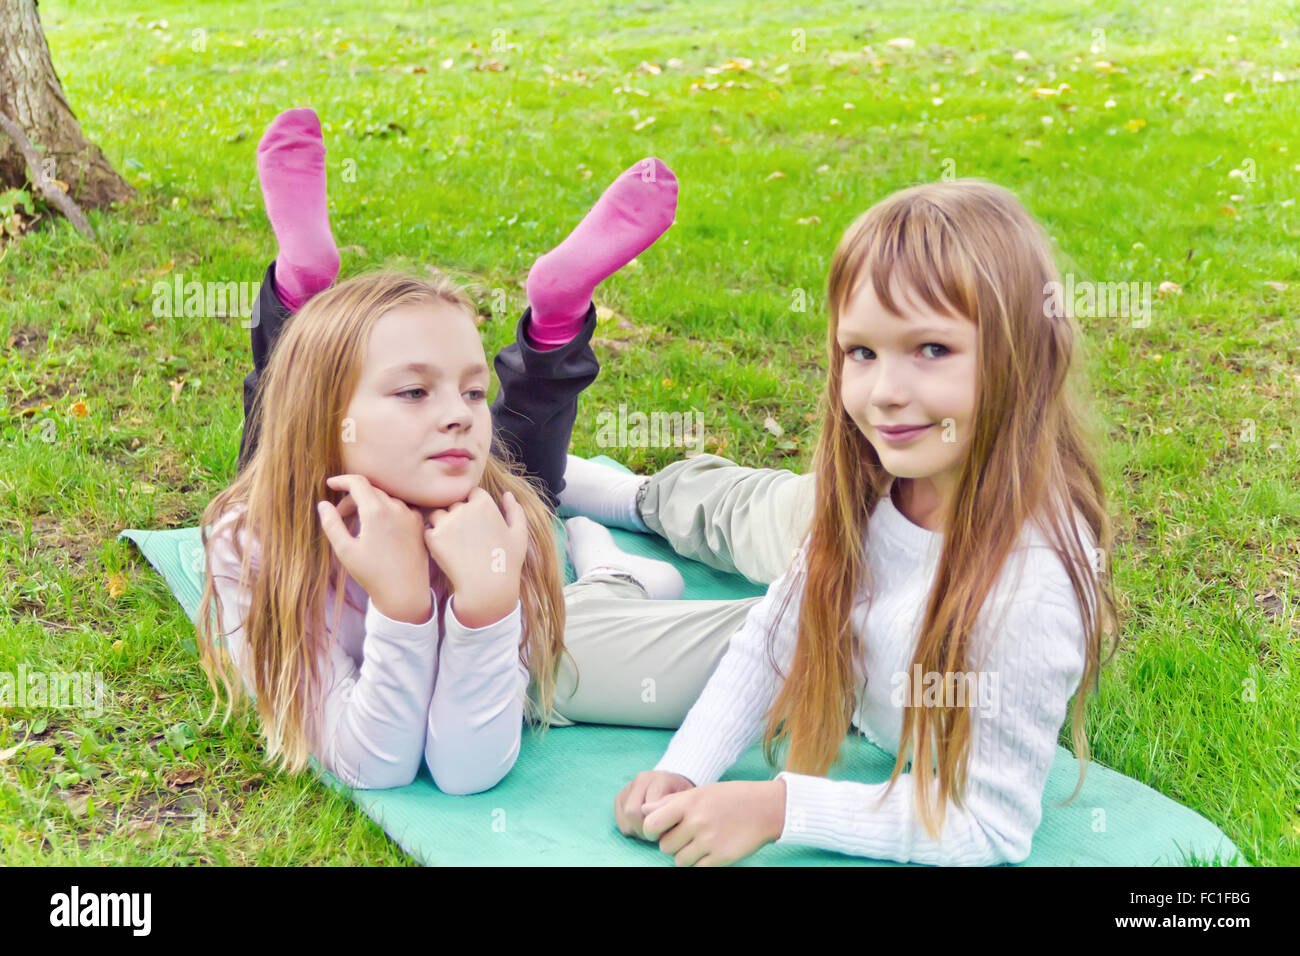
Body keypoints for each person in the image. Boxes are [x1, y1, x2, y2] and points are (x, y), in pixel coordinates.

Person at [594, 179, 1121, 865]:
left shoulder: (1030, 589)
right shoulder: (878, 471)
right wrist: (687, 766)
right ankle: (616, 495)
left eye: (932, 349)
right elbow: (774, 639)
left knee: (570, 660)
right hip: (820, 524)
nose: (885, 394)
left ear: (1024, 356)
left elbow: (988, 823)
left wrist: (779, 808)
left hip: (867, 636)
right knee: (734, 513)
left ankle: (614, 565)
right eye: (862, 353)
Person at [196, 107, 681, 794]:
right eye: (416, 393)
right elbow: (373, 765)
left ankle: (314, 293)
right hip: (302, 496)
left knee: (521, 482)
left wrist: (485, 604)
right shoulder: (254, 543)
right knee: (292, 426)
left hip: (489, 516)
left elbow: (464, 771)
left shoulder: (502, 525)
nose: (460, 414)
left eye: (476, 392)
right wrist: (400, 602)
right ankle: (541, 330)